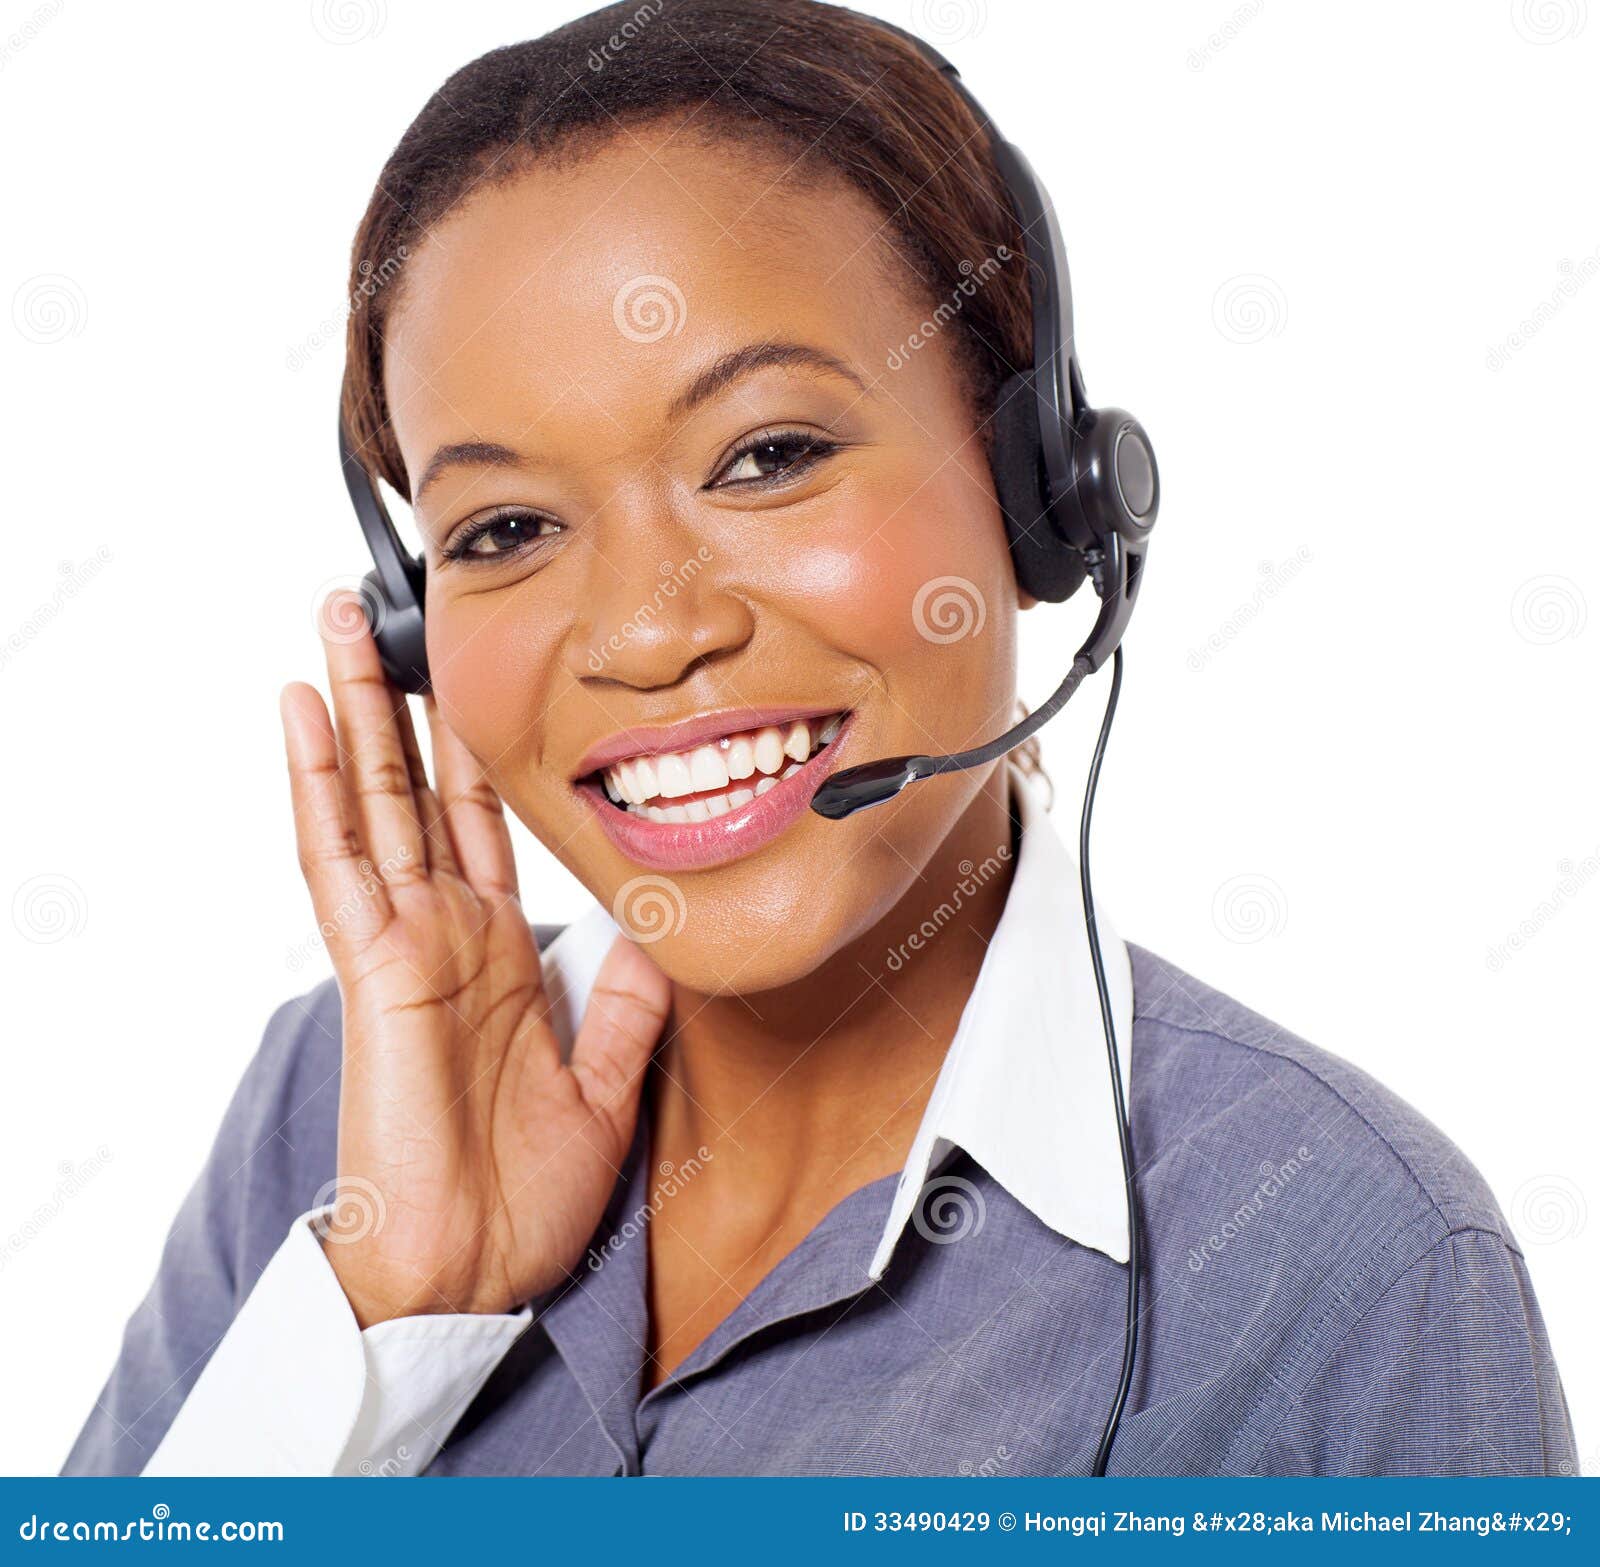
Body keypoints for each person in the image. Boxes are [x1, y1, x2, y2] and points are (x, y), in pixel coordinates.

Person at [63, 0, 1574, 1477]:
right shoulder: (329, 1105)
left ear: (1042, 489)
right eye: (506, 527)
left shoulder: (1345, 1256)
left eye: (768, 455)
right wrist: (386, 1325)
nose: (650, 633)